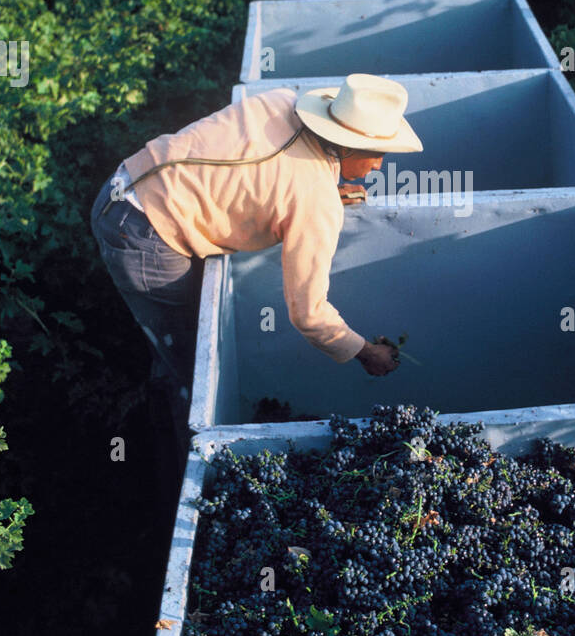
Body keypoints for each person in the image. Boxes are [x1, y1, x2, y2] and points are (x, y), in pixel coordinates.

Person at [89, 75, 423, 452]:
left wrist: (323, 189)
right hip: (144, 236)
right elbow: (308, 313)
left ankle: (162, 411)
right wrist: (364, 352)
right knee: (191, 369)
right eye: (377, 153)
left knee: (180, 344)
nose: (378, 166)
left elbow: (258, 171)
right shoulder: (314, 202)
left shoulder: (280, 101)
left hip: (124, 184)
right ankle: (179, 464)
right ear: (347, 144)